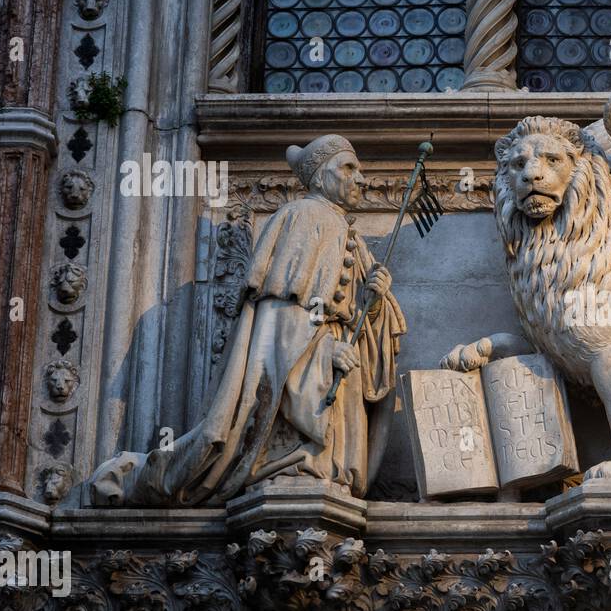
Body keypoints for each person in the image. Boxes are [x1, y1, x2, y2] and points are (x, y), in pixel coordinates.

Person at [90, 135, 404, 505]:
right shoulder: (302, 217)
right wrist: (324, 353)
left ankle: (323, 469)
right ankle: (286, 466)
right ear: (320, 177)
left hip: (339, 376)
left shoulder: (351, 235)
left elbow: (367, 332)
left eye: (361, 169)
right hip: (308, 366)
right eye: (349, 168)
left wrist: (377, 302)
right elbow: (280, 317)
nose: (361, 178)